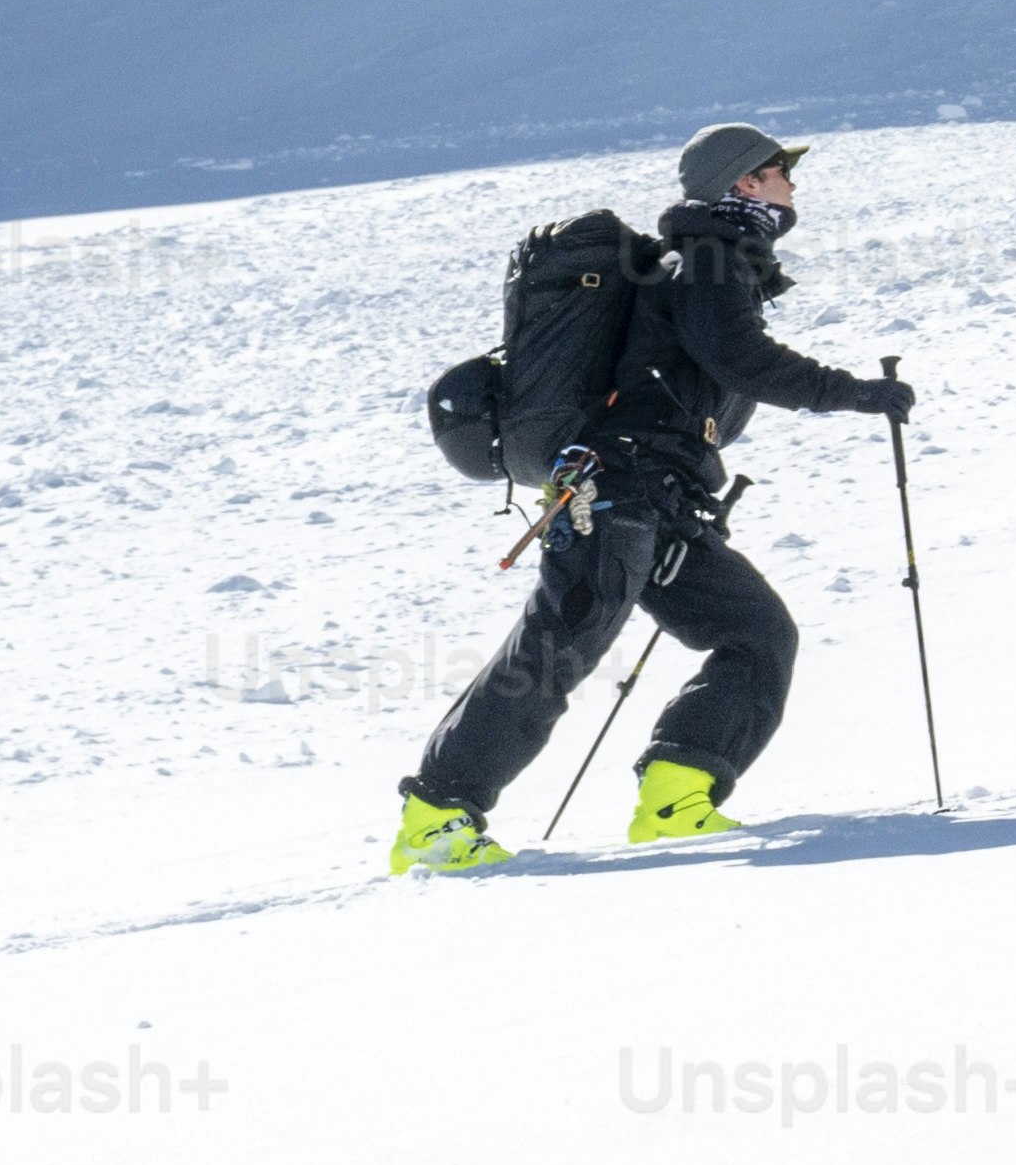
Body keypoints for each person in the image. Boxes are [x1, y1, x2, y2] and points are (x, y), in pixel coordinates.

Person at [384, 126, 913, 872]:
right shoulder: (706, 260)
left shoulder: (714, 261)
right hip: (614, 488)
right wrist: (857, 393)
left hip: (661, 496)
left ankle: (676, 798)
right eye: (779, 170)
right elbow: (742, 360)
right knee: (558, 649)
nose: (792, 183)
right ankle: (434, 819)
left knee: (756, 633)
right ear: (744, 182)